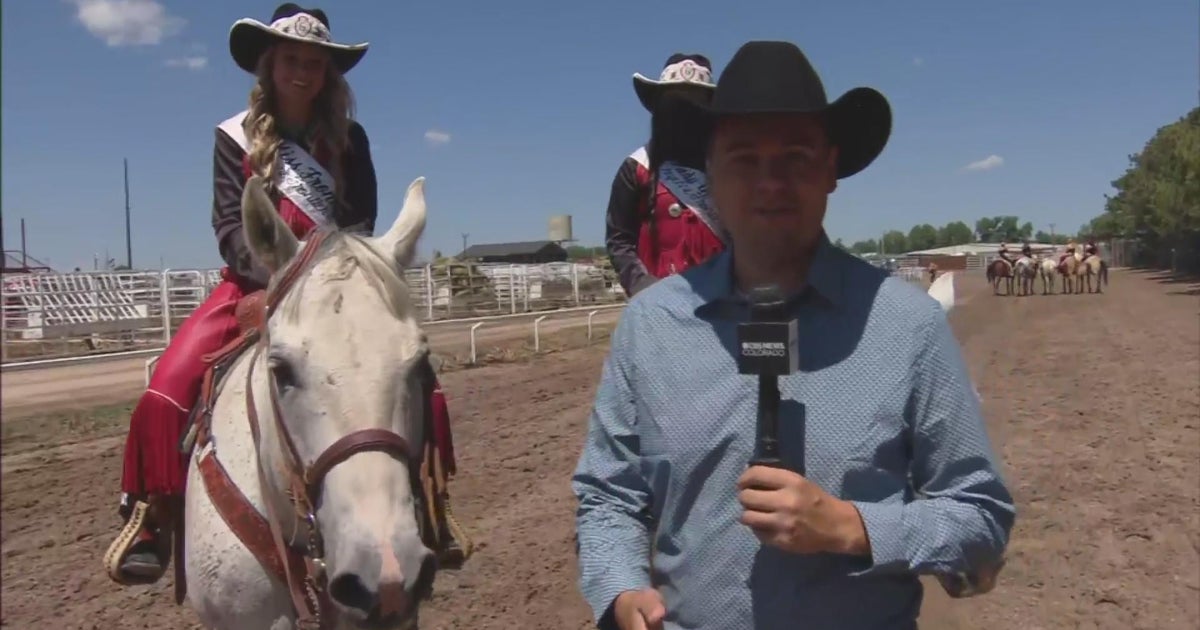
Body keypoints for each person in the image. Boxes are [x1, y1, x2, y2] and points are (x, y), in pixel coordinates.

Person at [573, 41, 1014, 630]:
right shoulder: (650, 327)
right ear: (710, 170)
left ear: (831, 169)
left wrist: (852, 527)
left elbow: (981, 519)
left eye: (796, 157)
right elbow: (607, 497)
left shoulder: (907, 327)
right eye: (744, 157)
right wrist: (622, 590)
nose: (770, 182)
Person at [105, 3, 465, 585]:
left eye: (315, 63)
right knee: (166, 386)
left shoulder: (352, 140)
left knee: (419, 382)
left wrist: (329, 275)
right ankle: (155, 514)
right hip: (255, 282)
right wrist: (282, 272)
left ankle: (429, 508)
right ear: (270, 67)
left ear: (329, 74)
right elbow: (230, 225)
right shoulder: (233, 137)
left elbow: (360, 221)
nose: (303, 71)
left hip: (334, 285)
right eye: (293, 60)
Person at [605, 54, 724, 297]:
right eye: (677, 103)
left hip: (724, 302)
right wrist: (642, 286)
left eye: (695, 104)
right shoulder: (638, 168)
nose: (685, 114)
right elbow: (619, 239)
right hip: (659, 305)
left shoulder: (728, 167)